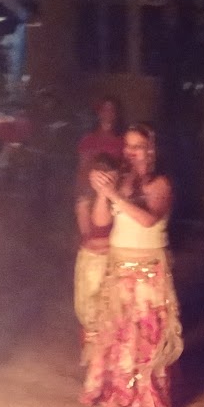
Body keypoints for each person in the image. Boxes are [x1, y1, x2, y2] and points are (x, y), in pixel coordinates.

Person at [80, 124, 182, 407]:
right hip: (120, 265)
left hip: (148, 268)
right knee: (119, 331)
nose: (130, 152)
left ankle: (146, 393)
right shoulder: (122, 180)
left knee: (146, 333)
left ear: (151, 150)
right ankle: (118, 389)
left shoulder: (161, 183)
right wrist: (101, 192)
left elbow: (148, 219)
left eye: (137, 146)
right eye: (128, 146)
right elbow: (101, 222)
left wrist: (113, 195)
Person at [73, 151, 119, 360]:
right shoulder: (85, 200)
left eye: (107, 173)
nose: (102, 178)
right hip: (92, 261)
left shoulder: (119, 198)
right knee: (90, 311)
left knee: (112, 312)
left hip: (113, 259)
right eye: (98, 173)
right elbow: (89, 234)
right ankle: (94, 362)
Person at [77, 96, 125, 173]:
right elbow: (82, 168)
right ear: (99, 113)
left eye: (111, 109)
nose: (108, 113)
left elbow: (125, 167)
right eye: (105, 109)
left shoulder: (123, 140)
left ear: (116, 114)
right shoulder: (88, 139)